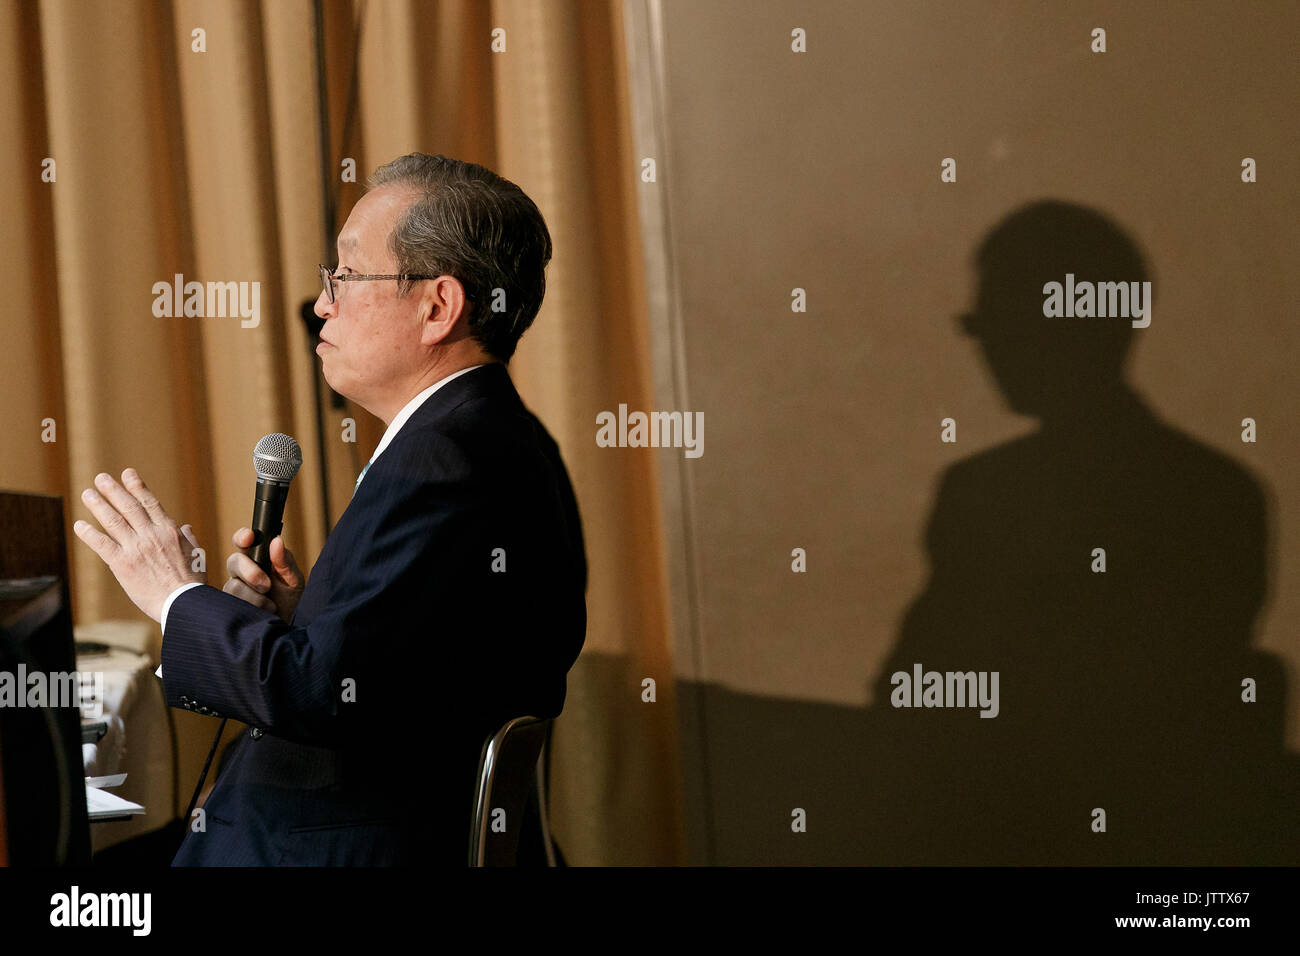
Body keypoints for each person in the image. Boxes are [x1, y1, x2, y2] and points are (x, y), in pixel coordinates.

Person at [73, 153, 587, 865]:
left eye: (346, 276)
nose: (322, 303)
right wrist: (296, 621)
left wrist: (174, 595)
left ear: (438, 306)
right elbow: (395, 675)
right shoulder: (489, 437)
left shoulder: (445, 459)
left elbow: (320, 696)